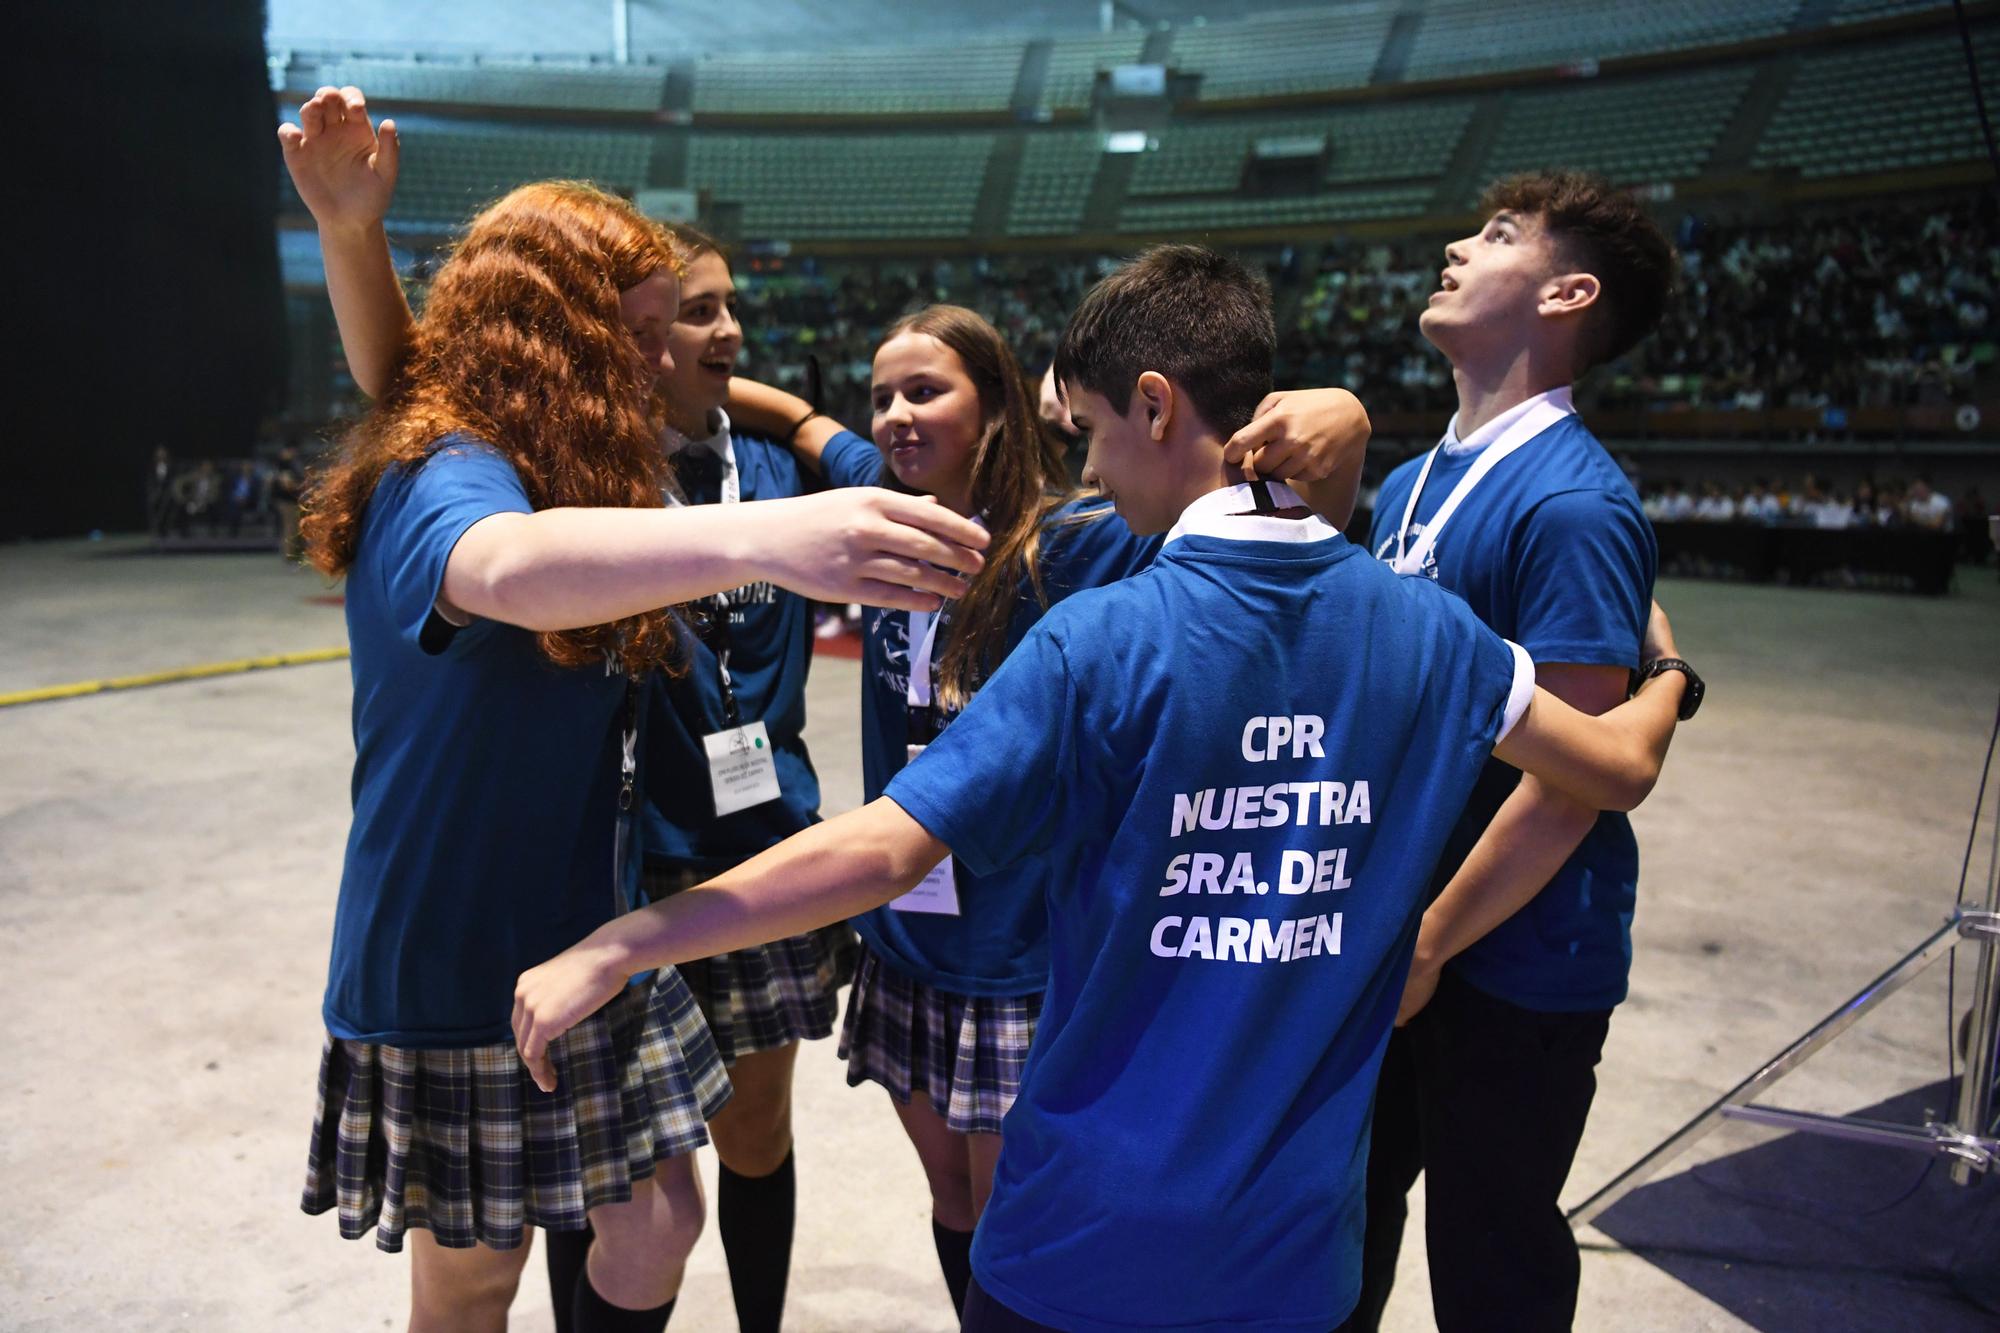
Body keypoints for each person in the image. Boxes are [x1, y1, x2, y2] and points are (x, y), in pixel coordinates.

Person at [509, 244, 1698, 1332]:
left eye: (1086, 427)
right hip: (1295, 1264)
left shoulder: (1101, 640)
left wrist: (625, 942)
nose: (1082, 464)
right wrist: (1669, 674)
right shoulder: (1431, 633)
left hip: (1081, 1250)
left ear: (1153, 404)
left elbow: (877, 853)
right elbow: (1611, 768)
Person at [279, 87, 988, 1333]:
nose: (667, 356)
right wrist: (768, 538)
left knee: (658, 1214)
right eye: (646, 328)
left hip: (585, 927)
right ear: (555, 341)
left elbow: (408, 366)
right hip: (455, 951)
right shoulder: (447, 468)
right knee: (471, 1286)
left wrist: (354, 238)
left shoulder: (552, 451)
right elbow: (498, 565)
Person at [726, 304, 1369, 1317]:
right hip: (906, 942)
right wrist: (687, 372)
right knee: (949, 1194)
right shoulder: (874, 500)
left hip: (1019, 954)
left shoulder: (1071, 540)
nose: (894, 413)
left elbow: (1242, 507)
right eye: (882, 393)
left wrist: (1337, 415)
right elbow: (803, 420)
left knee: (1010, 1215)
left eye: (924, 391)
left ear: (994, 405)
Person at [1356, 170, 1676, 1333]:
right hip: (1397, 933)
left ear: (1566, 293)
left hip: (1511, 955)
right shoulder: (1406, 482)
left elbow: (1570, 782)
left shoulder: (1573, 505)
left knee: (1490, 1268)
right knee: (1338, 1232)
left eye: (1493, 235)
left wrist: (1431, 944)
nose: (1453, 245)